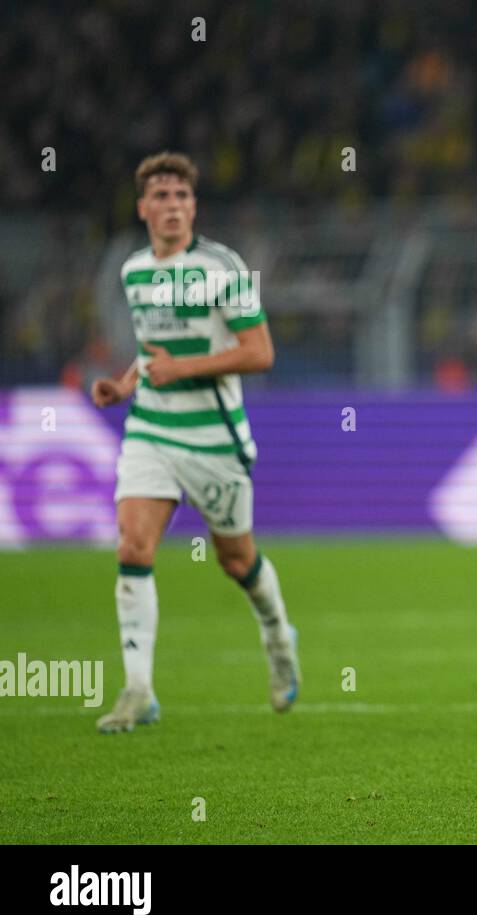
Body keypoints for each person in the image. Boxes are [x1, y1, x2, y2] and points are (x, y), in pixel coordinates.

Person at [91, 151, 300, 732]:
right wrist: (123, 384)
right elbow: (151, 350)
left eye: (182, 196)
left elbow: (260, 353)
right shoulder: (133, 272)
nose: (173, 206)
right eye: (161, 196)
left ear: (194, 207)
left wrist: (183, 370)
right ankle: (137, 690)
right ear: (142, 209)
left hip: (214, 438)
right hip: (151, 431)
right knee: (133, 547)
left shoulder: (223, 267)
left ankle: (279, 637)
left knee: (236, 560)